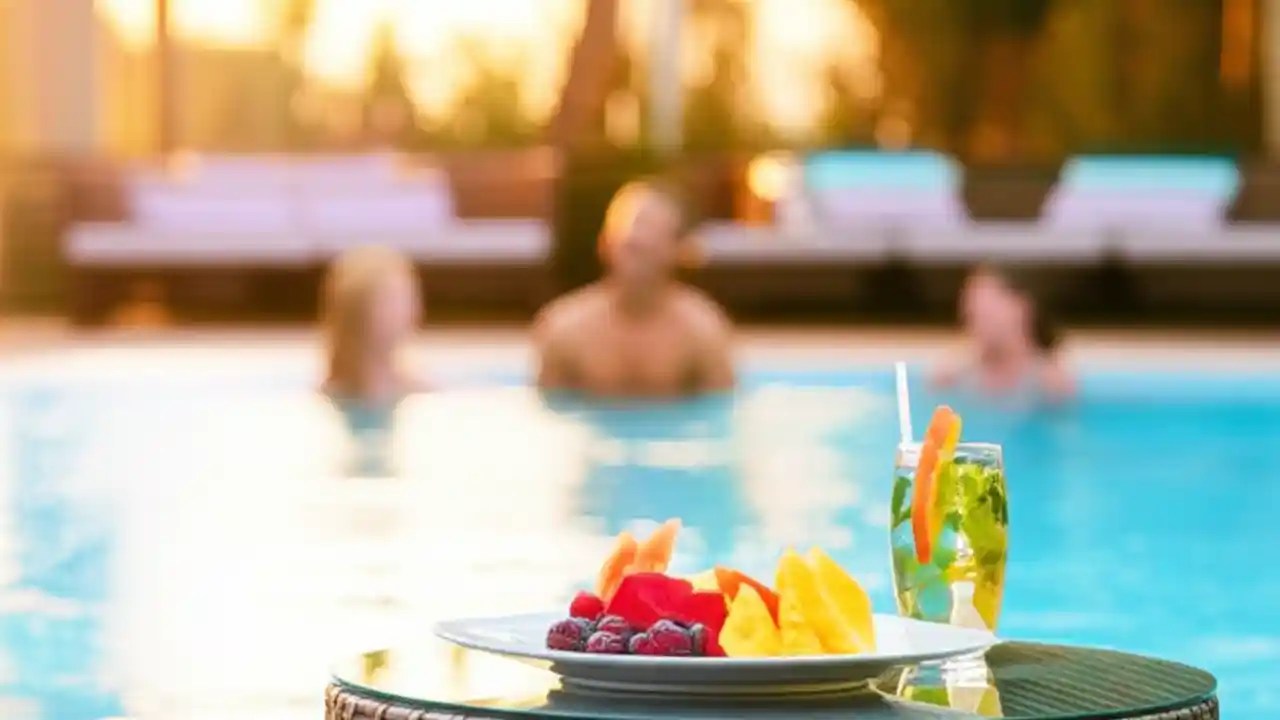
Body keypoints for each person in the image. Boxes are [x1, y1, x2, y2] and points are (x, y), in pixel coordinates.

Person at [534, 179, 735, 398]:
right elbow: (549, 420)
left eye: (651, 232)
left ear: (682, 251)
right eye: (628, 234)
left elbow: (720, 415)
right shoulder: (565, 329)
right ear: (604, 243)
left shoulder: (702, 331)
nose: (637, 237)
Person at [932, 264, 1074, 402]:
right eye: (971, 313)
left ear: (1021, 307)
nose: (975, 324)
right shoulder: (953, 379)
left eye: (986, 312)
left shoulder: (1051, 386)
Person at [321, 245, 427, 405]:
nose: (411, 311)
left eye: (408, 300)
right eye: (392, 301)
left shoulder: (420, 393)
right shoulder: (324, 398)